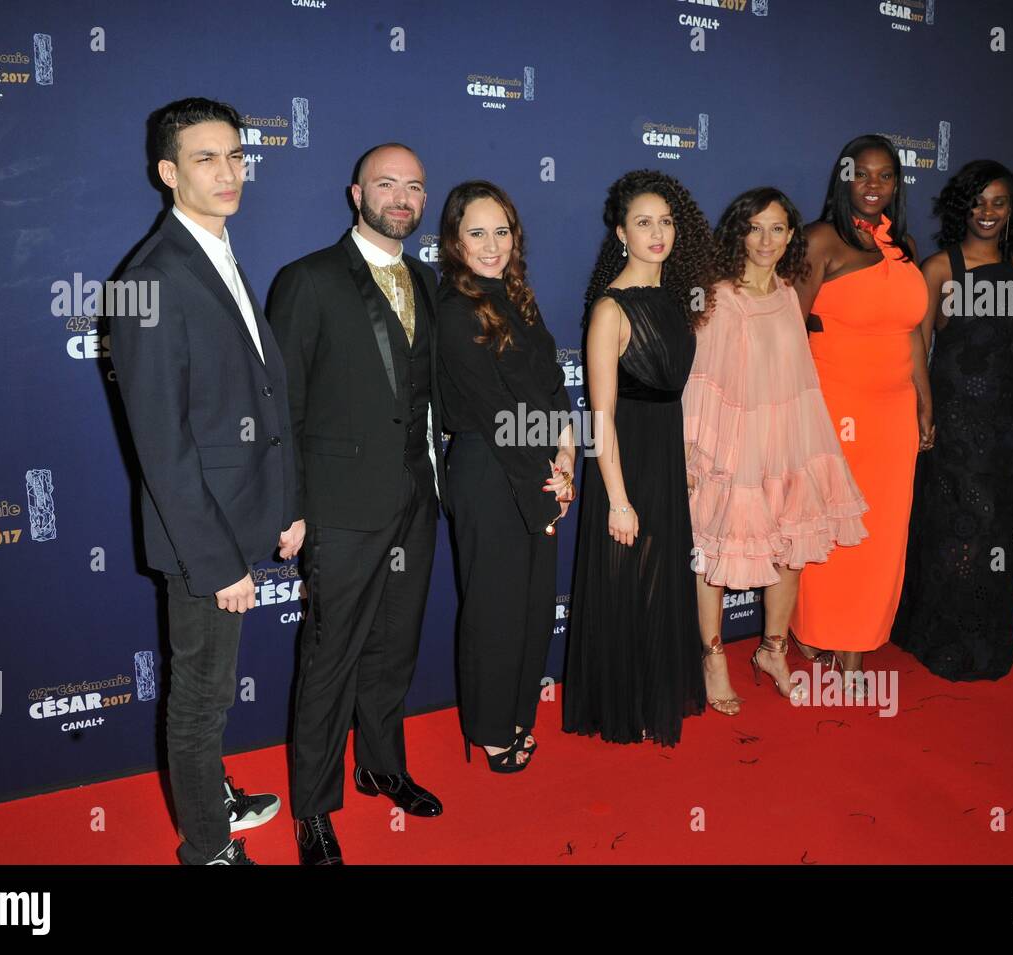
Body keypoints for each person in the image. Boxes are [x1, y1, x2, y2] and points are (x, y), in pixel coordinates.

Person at [109, 97, 301, 865]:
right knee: (201, 696)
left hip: (241, 513)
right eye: (205, 158)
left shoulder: (215, 251)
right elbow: (162, 445)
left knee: (212, 688)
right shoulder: (151, 279)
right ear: (168, 172)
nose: (228, 172)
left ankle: (212, 798)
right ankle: (208, 849)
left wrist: (288, 505)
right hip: (201, 540)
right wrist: (218, 561)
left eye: (236, 156)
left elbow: (261, 392)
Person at [269, 143, 446, 865]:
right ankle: (314, 808)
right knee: (330, 656)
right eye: (386, 184)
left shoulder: (428, 281)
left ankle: (381, 764)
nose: (401, 197)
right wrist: (291, 507)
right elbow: (281, 407)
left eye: (414, 186)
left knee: (394, 644)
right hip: (339, 506)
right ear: (356, 194)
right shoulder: (307, 280)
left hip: (416, 495)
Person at [684, 188, 868, 712]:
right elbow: (701, 381)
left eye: (778, 228)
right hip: (732, 447)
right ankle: (713, 658)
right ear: (738, 233)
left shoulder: (789, 293)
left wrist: (811, 447)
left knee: (792, 548)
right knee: (714, 554)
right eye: (755, 227)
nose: (766, 240)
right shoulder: (719, 297)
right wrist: (696, 452)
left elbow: (801, 378)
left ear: (791, 236)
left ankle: (773, 650)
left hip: (787, 441)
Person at [563, 169, 714, 746]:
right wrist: (618, 501)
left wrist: (685, 453)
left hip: (664, 457)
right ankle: (624, 705)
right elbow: (601, 416)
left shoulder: (672, 300)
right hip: (623, 465)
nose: (658, 233)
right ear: (621, 234)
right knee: (628, 581)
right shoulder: (611, 309)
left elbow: (669, 393)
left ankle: (654, 696)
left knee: (659, 581)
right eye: (644, 223)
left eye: (666, 222)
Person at [435, 181, 574, 772]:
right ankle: (491, 731)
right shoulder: (454, 309)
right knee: (495, 607)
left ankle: (519, 713)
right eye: (477, 233)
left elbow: (551, 383)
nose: (492, 245)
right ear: (455, 240)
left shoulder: (517, 296)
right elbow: (495, 413)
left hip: (537, 463)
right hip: (490, 472)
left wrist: (566, 457)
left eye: (502, 231)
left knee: (533, 605)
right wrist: (547, 483)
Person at [791, 135, 931, 701]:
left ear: (897, 184)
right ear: (843, 177)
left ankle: (857, 638)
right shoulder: (820, 241)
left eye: (886, 175)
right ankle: (820, 630)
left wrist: (924, 398)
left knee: (883, 531)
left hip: (894, 410)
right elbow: (789, 330)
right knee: (835, 525)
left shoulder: (904, 246)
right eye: (862, 173)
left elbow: (911, 332)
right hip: (836, 405)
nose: (874, 185)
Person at [892, 160, 1013, 680]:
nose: (987, 212)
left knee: (996, 526)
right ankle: (942, 632)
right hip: (957, 423)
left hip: (1006, 421)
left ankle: (982, 627)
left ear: (1012, 210)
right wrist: (925, 412)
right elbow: (918, 349)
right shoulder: (939, 268)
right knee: (955, 526)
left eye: (998, 202)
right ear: (963, 208)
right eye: (978, 202)